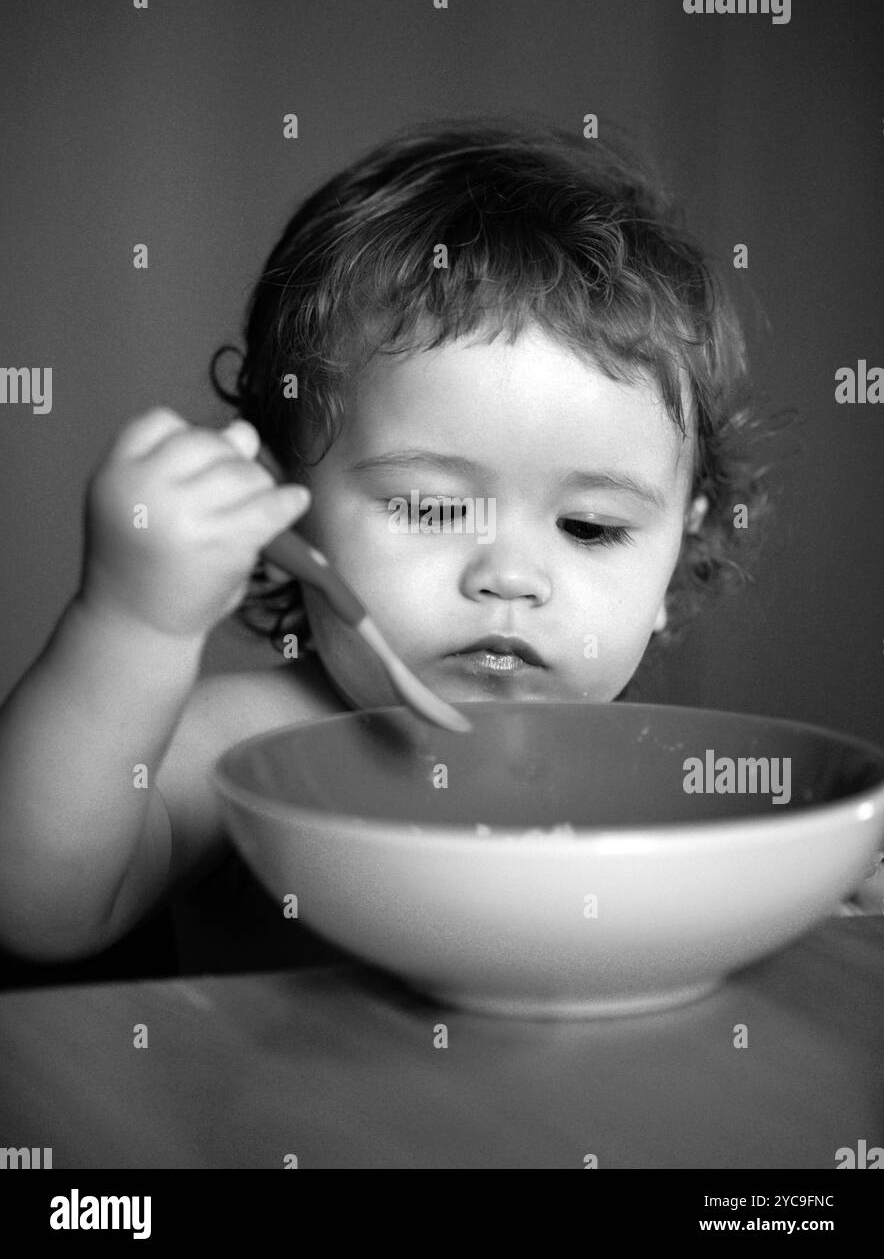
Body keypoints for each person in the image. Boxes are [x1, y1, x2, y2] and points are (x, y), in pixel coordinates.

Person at [0, 115, 811, 974]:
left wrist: (824, 905)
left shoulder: (682, 790)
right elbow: (38, 906)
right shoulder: (245, 750)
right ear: (286, 512)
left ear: (677, 554)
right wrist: (133, 621)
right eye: (430, 509)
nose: (509, 576)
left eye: (590, 527)